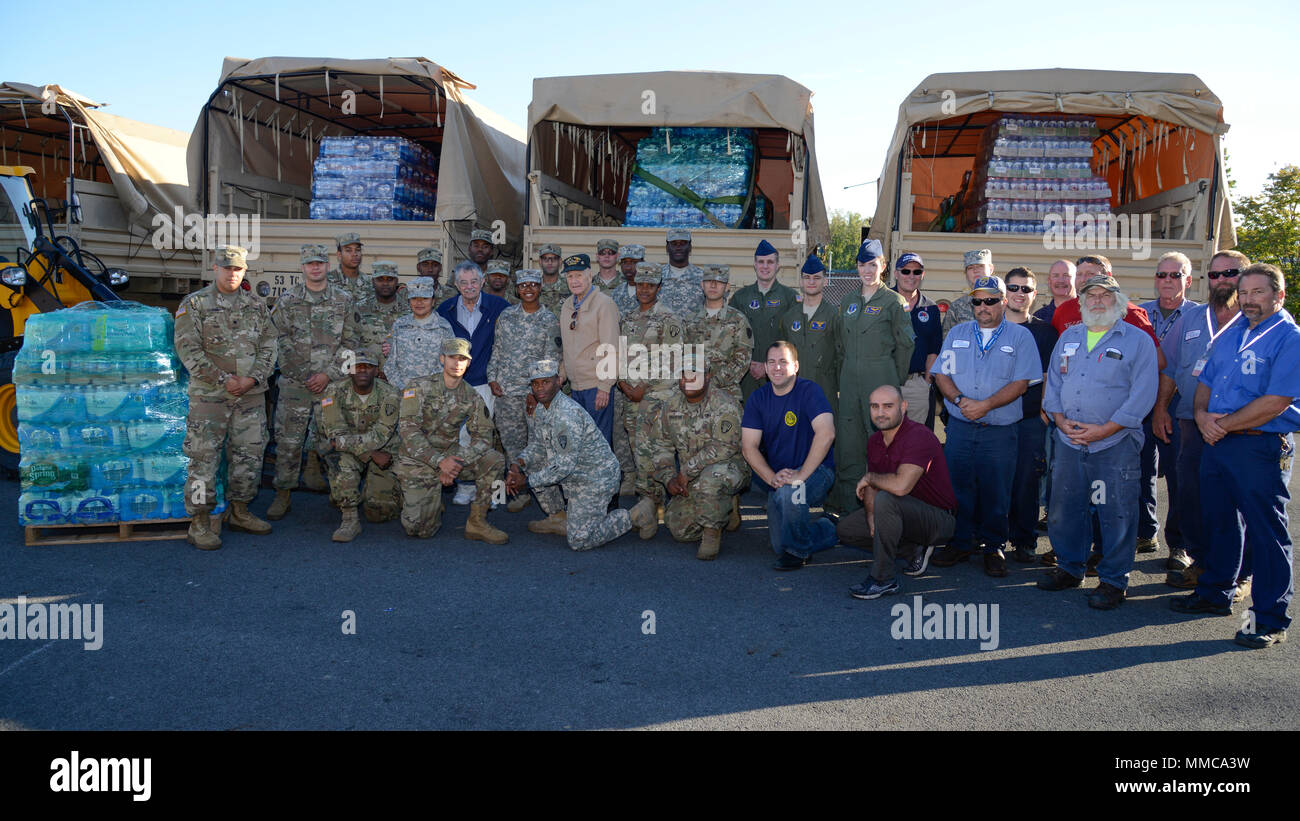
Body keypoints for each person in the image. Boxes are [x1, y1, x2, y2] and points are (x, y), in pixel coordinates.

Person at [1172, 263, 1299, 649]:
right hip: (1218, 441)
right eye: (1244, 293)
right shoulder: (1232, 334)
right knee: (1220, 521)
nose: (1249, 300)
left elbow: (1276, 401)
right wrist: (1201, 417)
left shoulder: (1289, 337)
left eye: (1258, 292)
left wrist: (1221, 425)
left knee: (1266, 531)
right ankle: (1216, 592)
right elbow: (1204, 382)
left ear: (1278, 296)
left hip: (1258, 445)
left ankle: (1270, 618)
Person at [1038, 274, 1158, 610]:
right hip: (1068, 440)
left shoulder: (1137, 341)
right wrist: (1059, 419)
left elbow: (1143, 394)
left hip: (1113, 444)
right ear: (1082, 302)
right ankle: (1070, 568)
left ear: (1119, 303)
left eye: (1106, 296)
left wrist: (1105, 429)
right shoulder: (1070, 337)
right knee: (1065, 508)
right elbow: (1056, 382)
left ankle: (1113, 581)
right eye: (1091, 295)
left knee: (1115, 511)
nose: (1098, 301)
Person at [929, 275, 1040, 577]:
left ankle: (993, 547)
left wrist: (985, 405)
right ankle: (961, 542)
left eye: (990, 300)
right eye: (977, 301)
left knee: (997, 491)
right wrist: (960, 399)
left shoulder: (1020, 337)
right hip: (962, 429)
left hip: (1000, 431)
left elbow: (1021, 384)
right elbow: (941, 374)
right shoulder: (958, 334)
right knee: (959, 488)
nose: (983, 306)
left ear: (1004, 302)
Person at [173, 245, 276, 550]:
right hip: (210, 397)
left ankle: (240, 511)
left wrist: (253, 378)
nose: (232, 274)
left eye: (238, 269)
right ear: (215, 269)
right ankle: (200, 522)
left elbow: (270, 346)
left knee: (249, 456)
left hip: (250, 396)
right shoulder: (194, 304)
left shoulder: (256, 306)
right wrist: (224, 380)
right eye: (226, 268)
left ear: (245, 272)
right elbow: (187, 349)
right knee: (203, 459)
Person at [1155, 250, 1248, 585]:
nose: (1221, 280)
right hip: (1190, 425)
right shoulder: (1192, 319)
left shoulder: (1257, 319)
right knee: (1191, 495)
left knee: (1236, 502)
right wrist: (1162, 408)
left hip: (1239, 429)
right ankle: (1202, 561)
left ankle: (1239, 576)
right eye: (1215, 274)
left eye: (1230, 273)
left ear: (1246, 276)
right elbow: (1171, 367)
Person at [268, 243, 359, 519]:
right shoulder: (288, 300)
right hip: (296, 386)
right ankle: (283, 494)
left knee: (334, 442)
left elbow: (352, 342)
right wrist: (303, 374)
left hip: (331, 385)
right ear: (302, 266)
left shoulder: (343, 300)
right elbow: (277, 339)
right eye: (310, 263)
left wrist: (327, 375)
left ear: (327, 265)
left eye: (319, 262)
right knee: (288, 443)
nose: (315, 267)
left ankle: (341, 495)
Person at [840, 385, 957, 599]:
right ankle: (913, 550)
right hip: (900, 512)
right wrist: (872, 517)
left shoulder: (919, 436)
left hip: (937, 518)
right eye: (874, 406)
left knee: (887, 498)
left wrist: (869, 478)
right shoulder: (875, 441)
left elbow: (900, 486)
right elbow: (871, 488)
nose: (880, 412)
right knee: (847, 529)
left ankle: (883, 579)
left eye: (888, 406)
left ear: (903, 407)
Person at [507, 359, 634, 550]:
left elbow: (564, 467)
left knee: (579, 541)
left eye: (546, 382)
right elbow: (539, 446)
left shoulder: (566, 415)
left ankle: (633, 516)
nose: (540, 388)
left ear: (558, 382)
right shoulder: (543, 408)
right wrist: (518, 464)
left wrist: (526, 482)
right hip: (574, 475)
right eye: (535, 383)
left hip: (595, 478)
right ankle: (557, 516)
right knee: (533, 463)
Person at [394, 337, 508, 543]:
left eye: (462, 359)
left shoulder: (471, 396)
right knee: (418, 529)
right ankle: (423, 497)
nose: (457, 363)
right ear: (441, 359)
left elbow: (483, 437)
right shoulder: (418, 387)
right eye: (452, 358)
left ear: (469, 363)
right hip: (417, 459)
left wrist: (455, 462)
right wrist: (440, 462)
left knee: (495, 459)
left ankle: (477, 522)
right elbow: (409, 432)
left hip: (450, 455)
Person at [830, 238, 914, 513]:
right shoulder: (848, 300)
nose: (867, 270)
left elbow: (905, 344)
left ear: (883, 266)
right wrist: (845, 374)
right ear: (857, 267)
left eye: (873, 264)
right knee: (849, 443)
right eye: (862, 264)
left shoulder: (893, 301)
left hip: (881, 377)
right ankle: (847, 510)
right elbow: (840, 343)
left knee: (882, 444)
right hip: (850, 381)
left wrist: (894, 380)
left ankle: (883, 510)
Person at [741, 341, 838, 570]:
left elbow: (827, 434)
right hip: (780, 477)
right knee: (779, 544)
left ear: (796, 366)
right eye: (772, 362)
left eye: (783, 362)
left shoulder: (809, 391)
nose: (777, 368)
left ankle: (798, 553)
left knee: (790, 494)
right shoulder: (758, 399)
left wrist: (801, 476)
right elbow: (749, 447)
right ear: (765, 367)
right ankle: (829, 529)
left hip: (817, 471)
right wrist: (771, 478)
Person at [646, 353, 750, 560]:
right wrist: (669, 479)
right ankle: (726, 510)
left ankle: (712, 532)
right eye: (685, 374)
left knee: (712, 478)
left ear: (708, 376)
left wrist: (686, 471)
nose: (689, 379)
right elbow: (660, 445)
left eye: (696, 374)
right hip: (692, 477)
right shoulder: (671, 405)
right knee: (677, 527)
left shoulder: (724, 404)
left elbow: (724, 448)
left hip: (728, 468)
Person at [620, 263, 688, 536]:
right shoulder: (628, 319)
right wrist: (624, 384)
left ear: (659, 287)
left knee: (658, 453)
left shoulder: (669, 319)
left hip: (658, 397)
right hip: (632, 398)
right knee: (639, 451)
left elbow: (673, 358)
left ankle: (655, 502)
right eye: (640, 284)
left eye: (650, 285)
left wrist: (643, 388)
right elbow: (620, 356)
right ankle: (649, 502)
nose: (644, 289)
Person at [487, 269, 562, 514]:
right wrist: (492, 379)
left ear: (540, 288)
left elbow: (552, 359)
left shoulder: (549, 319)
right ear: (516, 289)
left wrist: (537, 392)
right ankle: (516, 491)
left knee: (540, 446)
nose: (528, 289)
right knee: (512, 445)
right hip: (506, 392)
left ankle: (549, 501)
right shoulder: (507, 316)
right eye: (523, 285)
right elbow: (497, 350)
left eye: (533, 284)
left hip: (535, 395)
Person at [1135, 252, 1195, 558]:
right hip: (1140, 403)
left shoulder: (1199, 316)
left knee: (1178, 475)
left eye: (1176, 275)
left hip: (1179, 406)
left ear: (1189, 280)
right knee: (1141, 471)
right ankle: (1145, 533)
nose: (1168, 281)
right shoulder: (1139, 312)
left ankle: (1180, 546)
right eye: (1162, 275)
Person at [437, 260, 510, 505]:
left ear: (483, 281)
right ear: (456, 284)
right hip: (455, 384)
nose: (469, 287)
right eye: (464, 283)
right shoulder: (445, 309)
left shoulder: (499, 306)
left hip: (484, 384)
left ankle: (490, 491)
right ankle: (466, 485)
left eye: (474, 281)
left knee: (486, 438)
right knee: (459, 437)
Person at [315, 349, 401, 541]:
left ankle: (401, 494)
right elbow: (335, 434)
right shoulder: (333, 391)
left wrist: (367, 451)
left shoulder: (390, 393)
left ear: (376, 370)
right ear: (349, 370)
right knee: (339, 462)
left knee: (379, 512)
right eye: (358, 367)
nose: (363, 371)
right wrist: (370, 454)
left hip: (383, 450)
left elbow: (381, 435)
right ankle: (349, 518)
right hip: (350, 452)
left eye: (368, 367)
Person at [1003, 267, 1058, 563]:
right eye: (1014, 288)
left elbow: (1050, 376)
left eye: (1026, 289)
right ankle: (992, 539)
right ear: (1004, 292)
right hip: (995, 418)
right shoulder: (991, 327)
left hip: (1029, 418)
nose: (1019, 294)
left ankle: (1025, 539)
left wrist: (1044, 413)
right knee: (994, 479)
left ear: (1035, 295)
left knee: (1027, 479)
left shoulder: (1045, 332)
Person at [558, 253, 621, 442]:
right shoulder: (568, 305)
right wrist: (561, 375)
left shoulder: (603, 304)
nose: (574, 281)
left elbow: (611, 347)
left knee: (598, 443)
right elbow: (567, 346)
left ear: (589, 275)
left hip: (596, 387)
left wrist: (605, 386)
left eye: (579, 275)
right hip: (575, 388)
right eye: (570, 276)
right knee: (579, 442)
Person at [731, 239, 799, 399]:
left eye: (770, 262)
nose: (765, 266)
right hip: (746, 375)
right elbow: (731, 337)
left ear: (777, 266)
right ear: (754, 265)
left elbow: (794, 340)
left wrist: (767, 366)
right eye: (761, 262)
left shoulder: (790, 298)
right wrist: (749, 365)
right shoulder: (740, 297)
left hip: (779, 375)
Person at [779, 254, 839, 413]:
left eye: (817, 278)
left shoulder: (834, 316)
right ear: (801, 281)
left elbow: (841, 355)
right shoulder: (789, 317)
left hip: (824, 390)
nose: (811, 282)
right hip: (794, 391)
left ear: (825, 281)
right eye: (807, 277)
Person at [690, 264, 752, 404]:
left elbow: (742, 360)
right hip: (694, 393)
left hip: (727, 393)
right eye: (709, 281)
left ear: (727, 287)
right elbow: (683, 357)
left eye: (719, 282)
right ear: (702, 285)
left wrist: (712, 382)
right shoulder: (689, 320)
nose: (713, 285)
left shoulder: (738, 320)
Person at [381, 276, 456, 390]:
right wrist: (403, 388)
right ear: (409, 301)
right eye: (414, 298)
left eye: (424, 298)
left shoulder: (444, 327)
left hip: (434, 394)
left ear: (433, 301)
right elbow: (390, 365)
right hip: (403, 392)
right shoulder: (399, 325)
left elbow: (450, 364)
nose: (419, 303)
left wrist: (435, 391)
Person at [892, 252, 941, 426]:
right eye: (906, 271)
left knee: (916, 440)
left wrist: (926, 382)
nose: (911, 276)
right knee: (885, 439)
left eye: (916, 272)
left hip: (917, 385)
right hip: (887, 382)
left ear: (922, 275)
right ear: (896, 273)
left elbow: (934, 349)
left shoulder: (931, 308)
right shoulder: (884, 302)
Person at [353, 260, 409, 374]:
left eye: (390, 279)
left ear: (397, 281)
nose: (385, 284)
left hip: (402, 377)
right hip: (369, 379)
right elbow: (350, 344)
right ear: (373, 282)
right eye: (380, 279)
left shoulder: (409, 311)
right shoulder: (359, 309)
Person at [942, 249, 993, 338]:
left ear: (991, 269)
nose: (975, 270)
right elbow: (947, 342)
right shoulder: (957, 307)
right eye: (970, 267)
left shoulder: (1003, 304)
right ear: (966, 273)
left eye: (980, 266)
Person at [658, 227, 705, 320]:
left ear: (690, 247)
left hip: (692, 332)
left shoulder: (703, 277)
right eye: (674, 244)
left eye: (683, 243)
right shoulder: (656, 276)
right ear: (667, 248)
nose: (678, 247)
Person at [327, 231, 372, 302]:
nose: (354, 254)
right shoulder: (326, 281)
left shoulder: (370, 283)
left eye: (358, 250)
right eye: (348, 250)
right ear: (339, 255)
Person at [1033, 259, 1077, 325]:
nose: (1061, 280)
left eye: (1066, 275)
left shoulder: (1088, 313)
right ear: (1049, 281)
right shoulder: (1039, 317)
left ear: (1076, 279)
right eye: (1056, 276)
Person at [536, 243, 571, 315]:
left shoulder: (570, 285)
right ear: (540, 262)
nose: (550, 262)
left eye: (554, 258)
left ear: (560, 261)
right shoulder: (533, 286)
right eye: (545, 258)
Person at [609, 244, 643, 315]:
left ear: (643, 263)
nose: (628, 267)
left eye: (634, 262)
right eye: (624, 262)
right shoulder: (616, 293)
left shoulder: (651, 293)